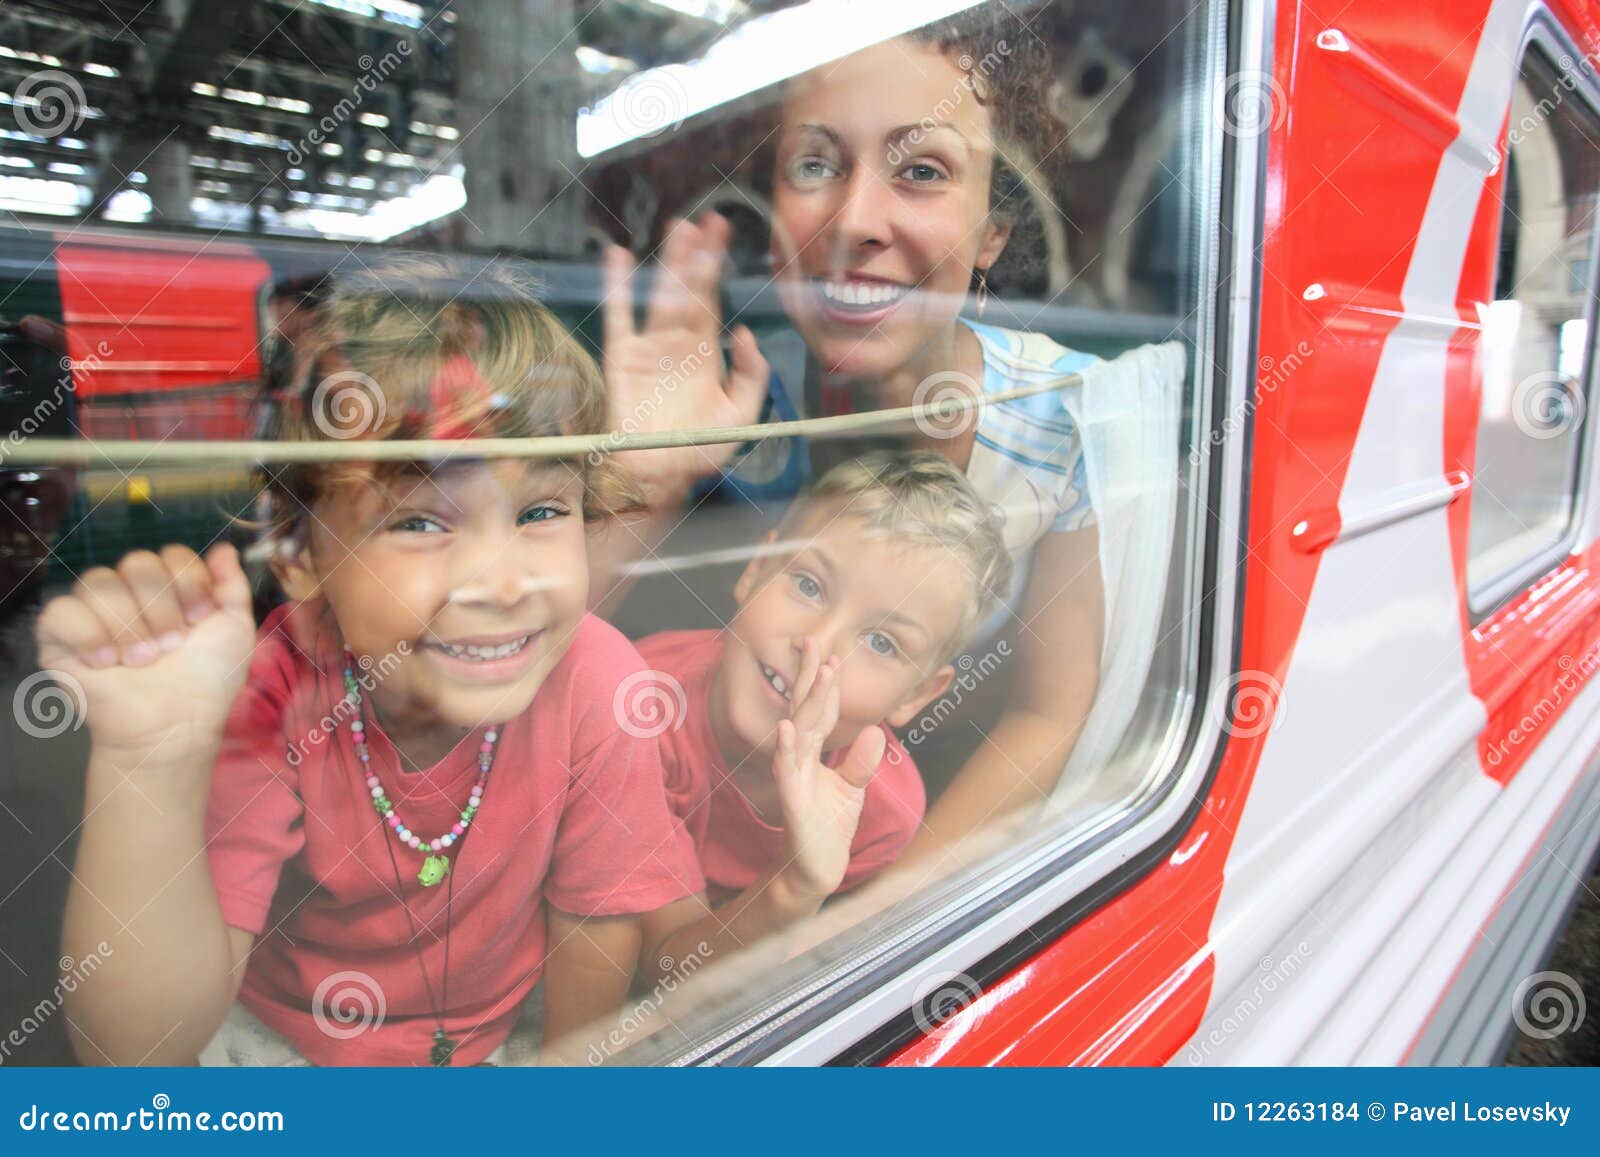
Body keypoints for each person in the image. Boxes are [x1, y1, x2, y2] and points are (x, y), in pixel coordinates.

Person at [44, 259, 707, 1067]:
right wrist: (149, 765)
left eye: (541, 510)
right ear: (295, 553)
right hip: (282, 1047)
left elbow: (594, 921)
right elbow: (136, 1052)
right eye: (421, 521)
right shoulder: (275, 691)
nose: (502, 583)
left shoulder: (599, 679)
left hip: (493, 1047)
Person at [598, 12, 1103, 859]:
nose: (855, 218)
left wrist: (863, 922)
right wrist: (645, 477)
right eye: (816, 164)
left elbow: (1047, 713)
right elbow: (527, 660)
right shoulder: (731, 396)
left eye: (923, 170)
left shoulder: (1066, 417)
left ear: (991, 233)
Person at [640, 452, 1012, 967]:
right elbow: (655, 968)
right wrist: (793, 888)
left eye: (882, 643)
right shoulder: (638, 712)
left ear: (915, 697)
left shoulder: (880, 815)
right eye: (809, 585)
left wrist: (804, 887)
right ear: (754, 572)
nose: (816, 646)